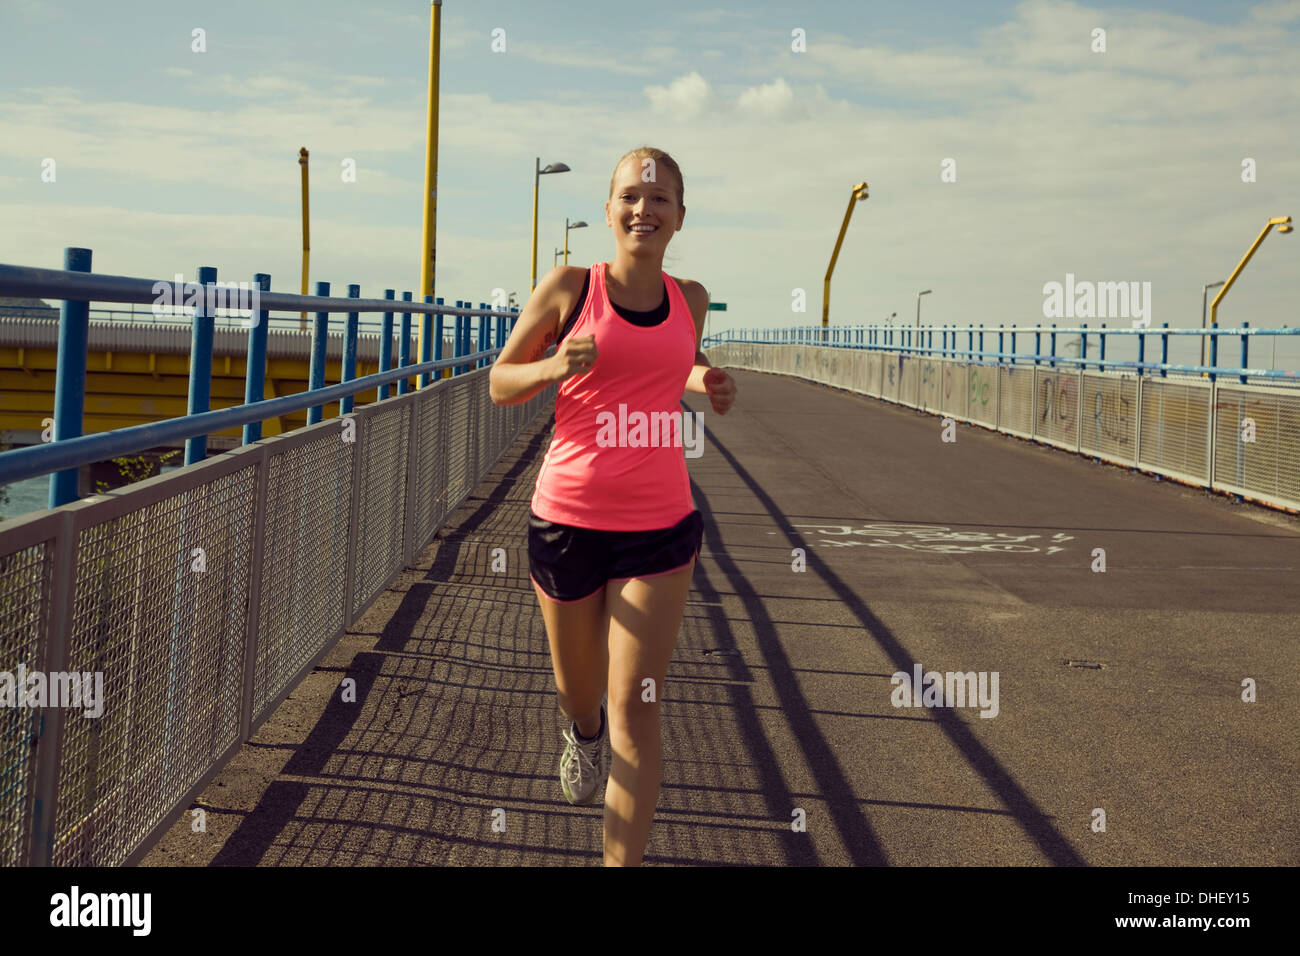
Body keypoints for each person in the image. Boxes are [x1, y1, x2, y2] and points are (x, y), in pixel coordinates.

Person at [489, 146, 737, 866]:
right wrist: (553, 365)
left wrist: (704, 380)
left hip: (660, 526)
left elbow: (666, 361)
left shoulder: (691, 299)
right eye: (630, 196)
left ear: (680, 217)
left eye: (660, 200)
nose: (643, 209)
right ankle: (579, 730)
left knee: (638, 708)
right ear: (609, 211)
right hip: (567, 521)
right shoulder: (571, 288)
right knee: (582, 693)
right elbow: (501, 382)